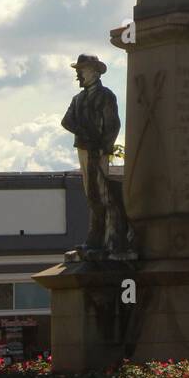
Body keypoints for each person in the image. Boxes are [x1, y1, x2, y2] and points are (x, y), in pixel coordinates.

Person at [61, 54, 129, 256]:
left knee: (104, 193)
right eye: (77, 71)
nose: (78, 75)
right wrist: (83, 132)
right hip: (83, 148)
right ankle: (96, 238)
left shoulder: (106, 95)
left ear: (93, 71)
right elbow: (66, 121)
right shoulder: (78, 99)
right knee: (91, 194)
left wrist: (103, 146)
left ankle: (111, 238)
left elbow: (112, 124)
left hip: (98, 150)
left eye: (81, 70)